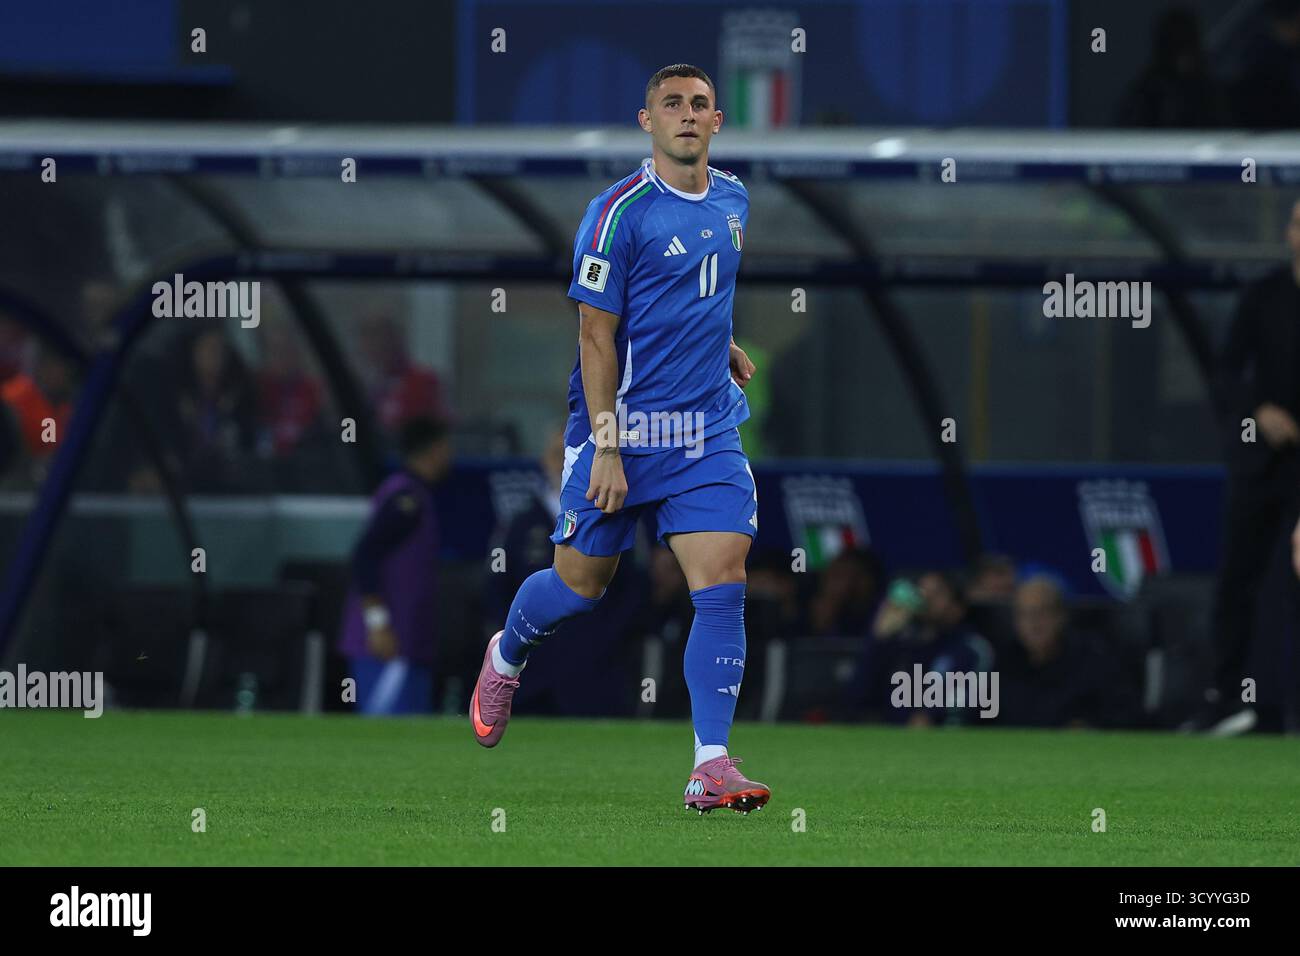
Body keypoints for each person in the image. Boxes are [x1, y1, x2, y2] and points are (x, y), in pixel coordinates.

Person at [468, 64, 770, 814]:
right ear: (648, 122)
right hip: (622, 430)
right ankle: (507, 652)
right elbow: (595, 337)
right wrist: (605, 445)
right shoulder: (616, 214)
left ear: (717, 121)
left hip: (703, 429)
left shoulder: (734, 199)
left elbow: (701, 291)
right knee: (580, 587)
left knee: (723, 577)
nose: (688, 115)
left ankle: (710, 763)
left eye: (701, 104)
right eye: (673, 104)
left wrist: (721, 345)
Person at [1196, 199, 1300, 735]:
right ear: (1289, 233)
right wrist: (1259, 411)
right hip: (1263, 467)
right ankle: (1229, 697)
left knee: (1292, 583)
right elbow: (1227, 374)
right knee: (1241, 578)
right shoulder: (1264, 298)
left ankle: (1283, 705)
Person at [338, 417, 452, 714]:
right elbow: (365, 555)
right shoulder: (406, 500)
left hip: (407, 643)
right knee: (386, 738)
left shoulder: (412, 493)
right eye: (446, 447)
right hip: (388, 645)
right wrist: (377, 624)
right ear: (434, 449)